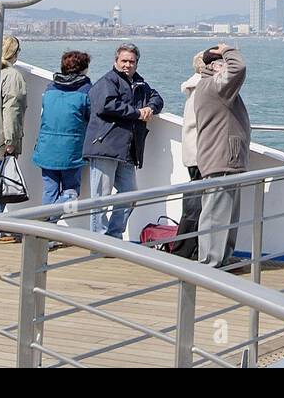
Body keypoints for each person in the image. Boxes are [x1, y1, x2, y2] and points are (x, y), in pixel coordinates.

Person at [84, 44, 163, 240]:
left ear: (137, 63)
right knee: (100, 198)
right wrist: (137, 113)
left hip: (128, 148)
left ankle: (114, 234)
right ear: (116, 61)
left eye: (131, 61)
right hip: (105, 146)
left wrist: (150, 108)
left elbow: (157, 98)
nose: (127, 65)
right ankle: (99, 239)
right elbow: (106, 105)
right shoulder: (107, 81)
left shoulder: (140, 84)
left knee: (129, 194)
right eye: (124, 61)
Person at [192, 44, 250, 268]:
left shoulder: (210, 86)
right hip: (221, 158)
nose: (226, 68)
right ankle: (209, 263)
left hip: (227, 158)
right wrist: (229, 50)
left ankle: (223, 258)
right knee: (216, 215)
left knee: (227, 215)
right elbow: (239, 68)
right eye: (223, 64)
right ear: (215, 66)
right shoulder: (215, 86)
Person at [32, 51, 92, 208]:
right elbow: (91, 118)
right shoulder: (86, 91)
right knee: (71, 194)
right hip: (71, 151)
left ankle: (43, 229)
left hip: (45, 148)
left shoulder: (50, 89)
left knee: (49, 192)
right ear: (84, 69)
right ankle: (43, 224)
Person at [167, 52, 205, 259]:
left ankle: (188, 249)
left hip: (194, 151)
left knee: (195, 203)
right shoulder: (202, 90)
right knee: (196, 205)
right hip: (201, 153)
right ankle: (184, 250)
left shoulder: (195, 89)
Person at [0, 35, 28, 244]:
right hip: (1, 140)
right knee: (1, 183)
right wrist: (11, 140)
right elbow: (12, 111)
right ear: (13, 53)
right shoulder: (12, 76)